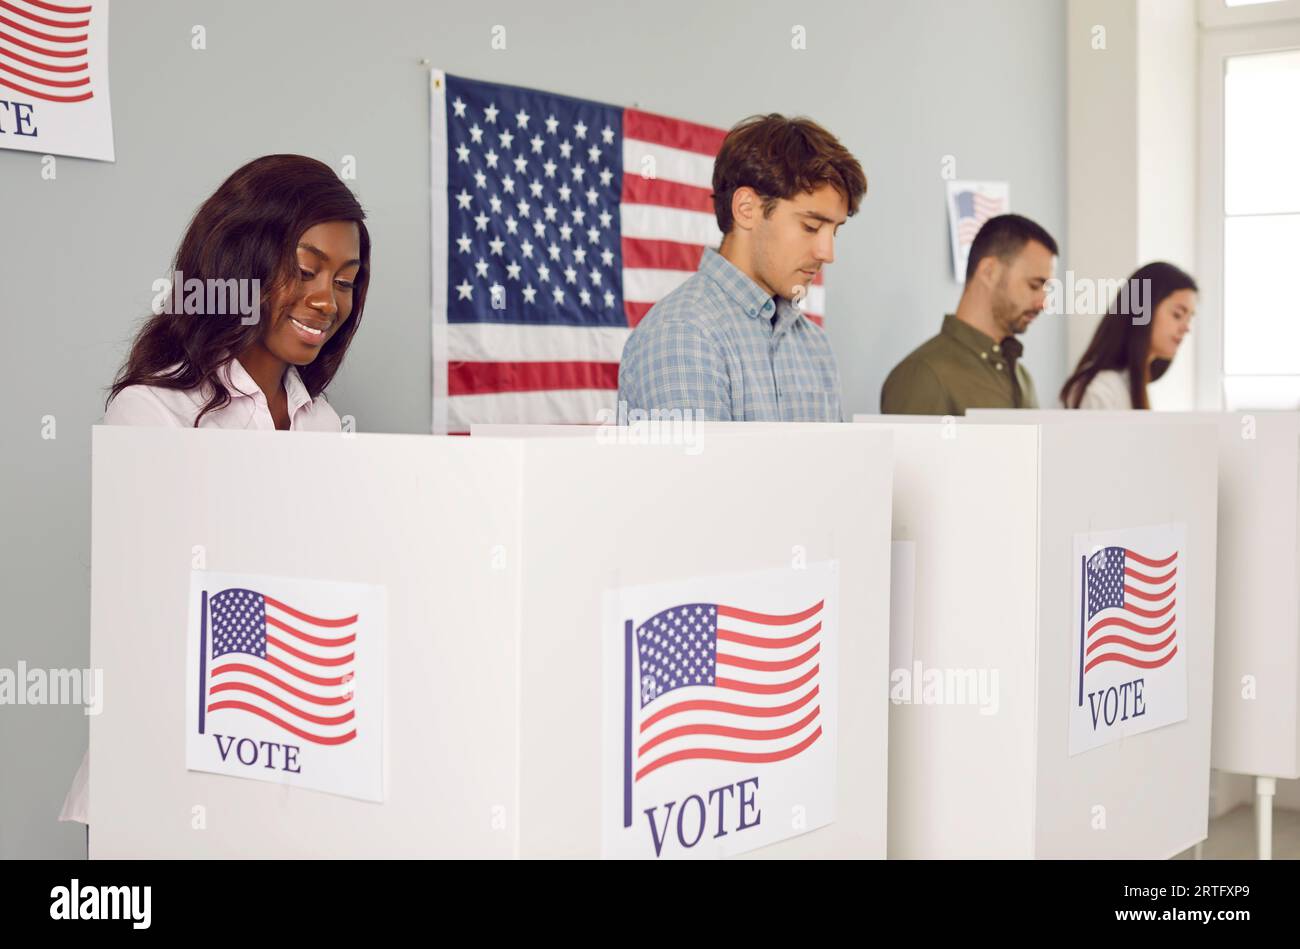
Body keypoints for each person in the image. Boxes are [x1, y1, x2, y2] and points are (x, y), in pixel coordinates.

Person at [60, 154, 371, 829]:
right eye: (307, 268)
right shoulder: (151, 411)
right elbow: (149, 619)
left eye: (344, 281)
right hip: (165, 777)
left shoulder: (323, 424)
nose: (328, 300)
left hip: (290, 778)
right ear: (241, 261)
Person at [617, 114, 868, 421]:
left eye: (835, 230)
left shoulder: (815, 347)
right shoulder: (685, 336)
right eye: (811, 226)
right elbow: (701, 471)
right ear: (746, 209)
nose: (827, 253)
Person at [880, 214, 1057, 415]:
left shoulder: (1022, 378)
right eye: (1034, 285)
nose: (1043, 303)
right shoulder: (925, 375)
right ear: (989, 271)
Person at [1059, 262, 1197, 409]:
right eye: (1177, 315)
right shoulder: (1098, 392)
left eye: (1189, 318)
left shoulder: (1132, 387)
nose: (1186, 328)